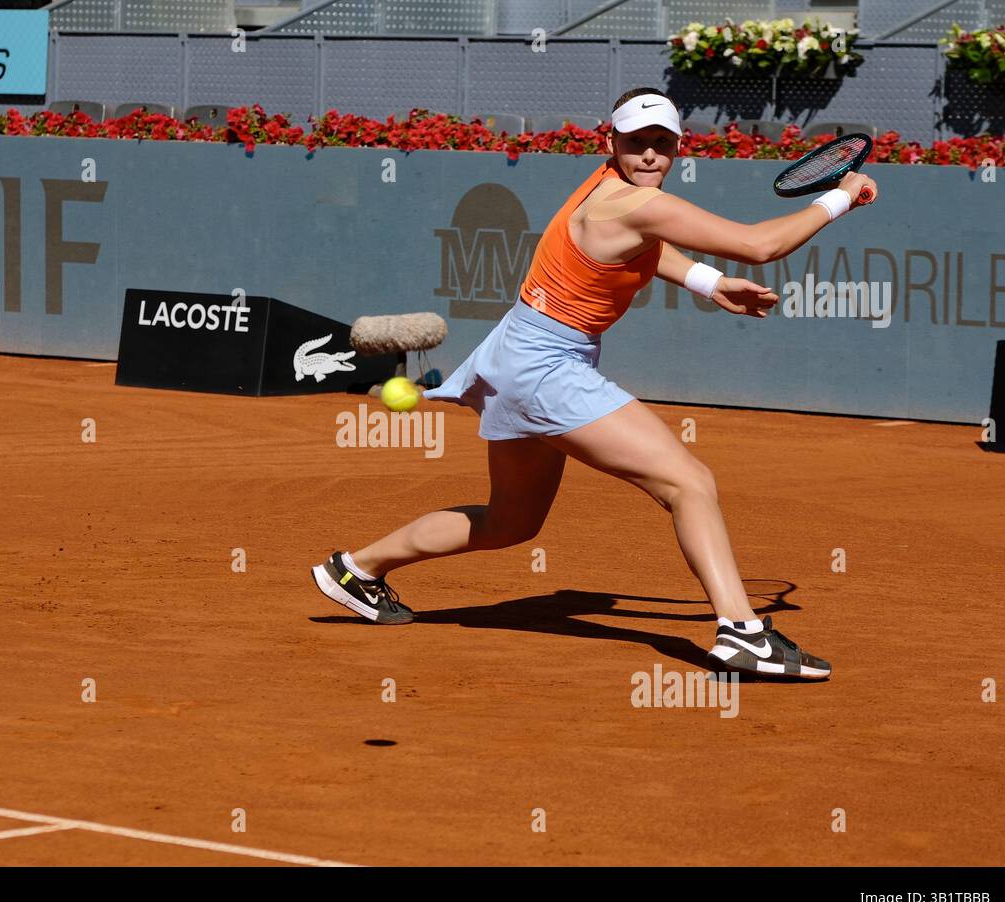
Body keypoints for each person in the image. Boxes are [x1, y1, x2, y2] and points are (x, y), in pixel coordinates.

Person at [311, 88, 877, 680]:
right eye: (637, 144)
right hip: (546, 368)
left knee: (511, 523)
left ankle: (356, 569)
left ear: (678, 145)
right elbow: (761, 245)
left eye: (662, 143)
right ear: (613, 142)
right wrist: (840, 197)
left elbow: (640, 246)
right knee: (689, 483)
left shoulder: (607, 187)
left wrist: (710, 284)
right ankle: (743, 634)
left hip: (513, 356)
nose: (651, 155)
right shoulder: (640, 204)